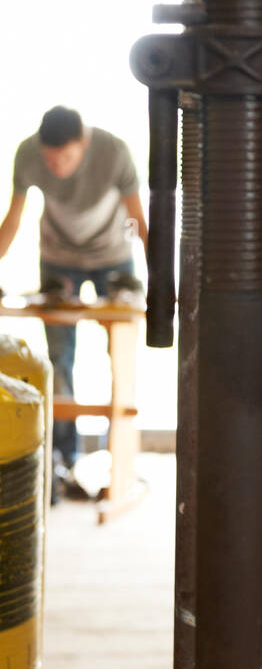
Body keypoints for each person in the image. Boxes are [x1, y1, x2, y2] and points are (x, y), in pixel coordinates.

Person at [0, 106, 148, 486]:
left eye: (65, 158)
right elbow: (14, 218)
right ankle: (64, 458)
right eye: (50, 159)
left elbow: (135, 217)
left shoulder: (113, 152)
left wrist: (158, 276)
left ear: (83, 143)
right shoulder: (28, 154)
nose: (57, 167)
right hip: (58, 258)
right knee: (60, 356)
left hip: (112, 256)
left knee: (120, 354)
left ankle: (118, 464)